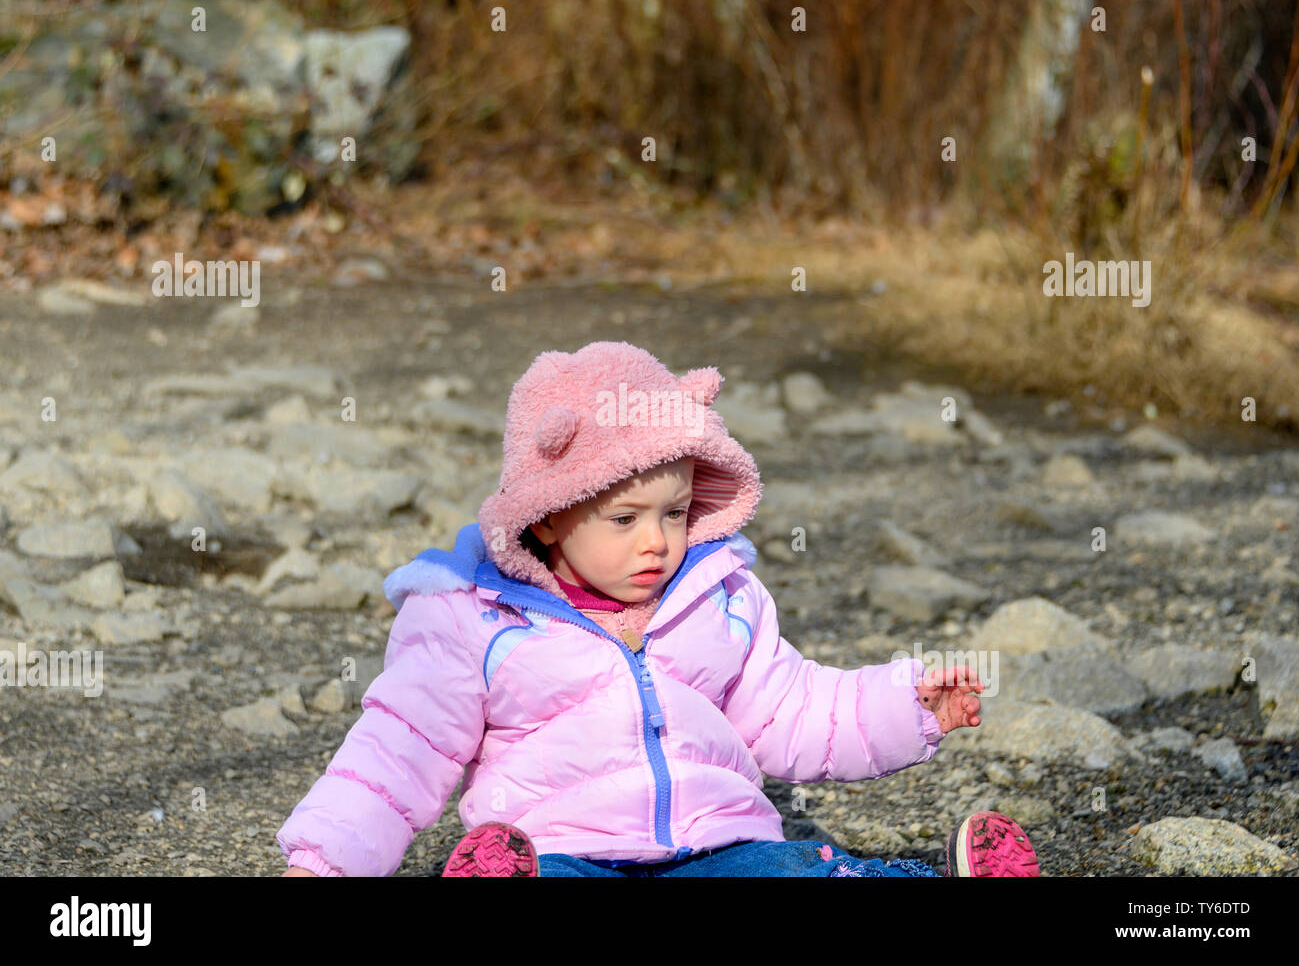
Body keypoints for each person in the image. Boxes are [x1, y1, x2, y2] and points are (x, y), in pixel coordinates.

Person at [278, 341, 1040, 878]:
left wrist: (908, 706)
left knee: (792, 871)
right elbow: (397, 752)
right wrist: (322, 862)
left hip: (722, 843)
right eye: (625, 519)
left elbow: (791, 709)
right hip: (562, 847)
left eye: (674, 513)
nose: (658, 543)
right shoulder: (473, 616)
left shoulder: (720, 598)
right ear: (547, 517)